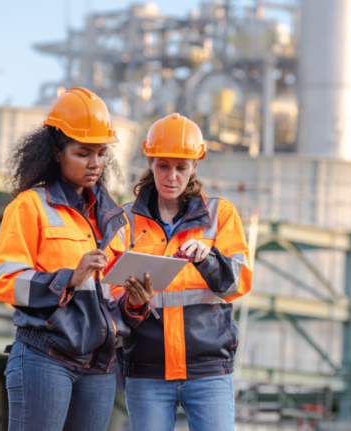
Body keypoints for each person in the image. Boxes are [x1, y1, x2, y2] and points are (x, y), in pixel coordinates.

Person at [0, 88, 132, 431]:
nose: (95, 163)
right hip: (45, 358)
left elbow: (112, 298)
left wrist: (136, 301)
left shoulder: (115, 219)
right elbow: (5, 281)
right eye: (83, 153)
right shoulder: (30, 206)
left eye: (101, 153)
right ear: (56, 153)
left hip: (99, 366)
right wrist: (69, 277)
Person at [114, 113, 252, 431]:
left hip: (209, 371)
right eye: (163, 165)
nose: (171, 176)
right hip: (147, 370)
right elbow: (112, 293)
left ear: (195, 166)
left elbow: (239, 282)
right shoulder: (124, 220)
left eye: (181, 167)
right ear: (150, 161)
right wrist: (133, 299)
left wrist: (209, 260)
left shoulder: (221, 215)